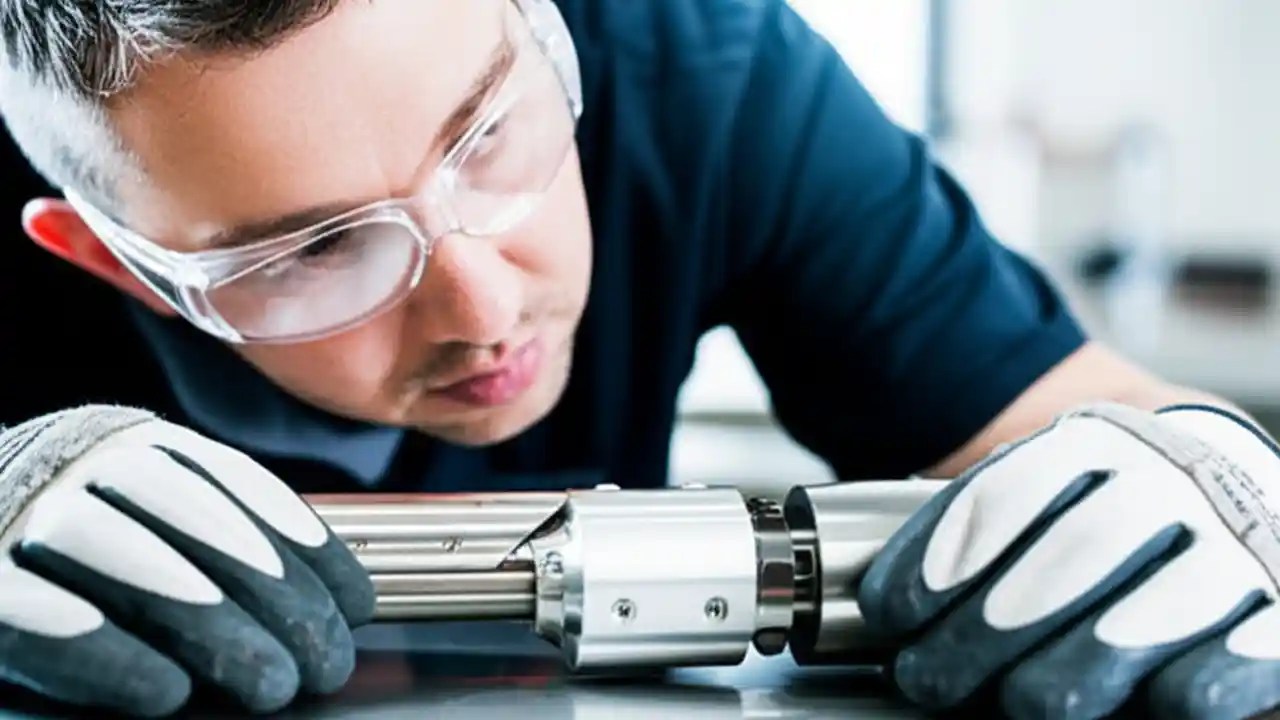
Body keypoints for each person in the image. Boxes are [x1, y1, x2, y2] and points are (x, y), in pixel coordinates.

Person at [0, 1, 1276, 719]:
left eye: (492, 137)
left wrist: (1210, 478)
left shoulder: (712, 76)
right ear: (117, 267)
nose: (482, 308)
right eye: (313, 254)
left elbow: (1080, 418)